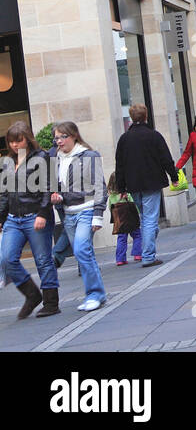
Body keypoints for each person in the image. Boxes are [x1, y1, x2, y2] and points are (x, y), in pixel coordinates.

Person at [0, 121, 59, 319]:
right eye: (11, 142)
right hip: (13, 219)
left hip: (35, 216)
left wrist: (42, 213)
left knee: (43, 260)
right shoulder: (8, 161)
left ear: (27, 138)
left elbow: (47, 188)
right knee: (7, 259)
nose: (15, 145)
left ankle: (51, 302)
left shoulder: (42, 158)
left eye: (19, 141)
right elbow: (4, 194)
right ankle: (32, 294)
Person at [50, 122, 108, 312]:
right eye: (56, 138)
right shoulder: (55, 159)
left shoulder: (88, 156)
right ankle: (97, 293)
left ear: (74, 136)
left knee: (82, 250)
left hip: (87, 209)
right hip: (68, 213)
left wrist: (98, 215)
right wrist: (56, 195)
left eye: (62, 137)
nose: (59, 141)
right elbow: (53, 185)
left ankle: (94, 294)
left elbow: (100, 187)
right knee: (83, 254)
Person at [114, 104, 177, 269]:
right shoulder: (154, 136)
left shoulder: (124, 139)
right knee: (149, 220)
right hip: (152, 183)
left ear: (131, 118)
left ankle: (148, 249)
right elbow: (166, 158)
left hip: (133, 185)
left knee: (146, 219)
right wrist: (174, 176)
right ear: (146, 116)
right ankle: (148, 255)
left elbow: (119, 166)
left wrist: (121, 188)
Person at [108, 171, 142, 265]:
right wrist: (138, 213)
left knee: (121, 238)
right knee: (137, 235)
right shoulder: (127, 194)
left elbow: (110, 207)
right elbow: (133, 205)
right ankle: (137, 254)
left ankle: (120, 259)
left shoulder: (111, 196)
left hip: (119, 220)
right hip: (130, 219)